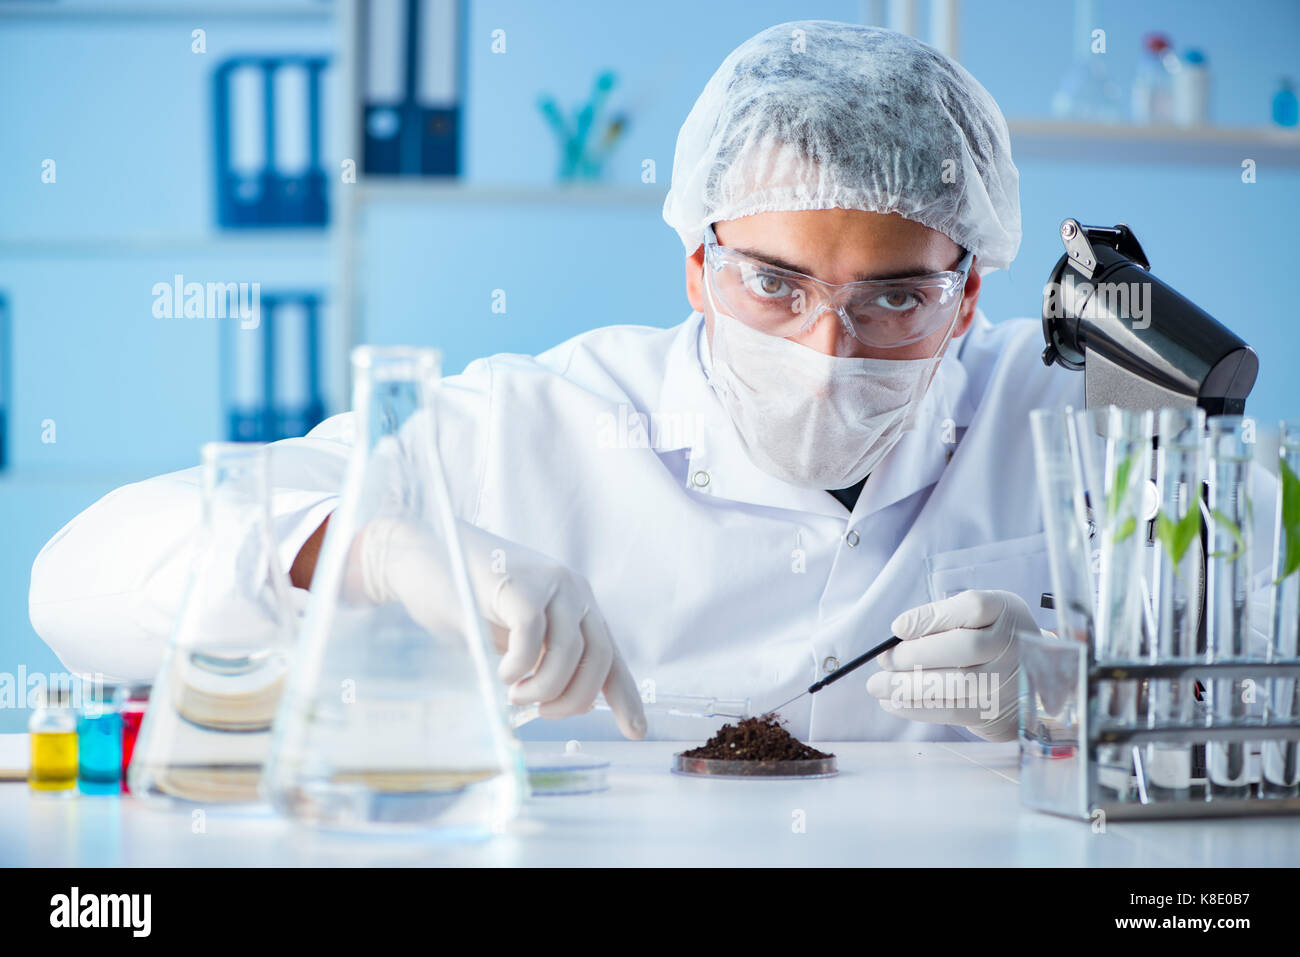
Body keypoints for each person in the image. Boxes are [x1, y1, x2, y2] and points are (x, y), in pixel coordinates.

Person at [29, 21, 1081, 743]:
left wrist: (1079, 693)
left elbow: (1238, 678)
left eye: (894, 300)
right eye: (773, 284)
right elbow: (74, 586)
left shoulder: (1079, 421)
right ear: (696, 267)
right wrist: (381, 555)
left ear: (970, 291)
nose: (823, 353)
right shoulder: (533, 426)